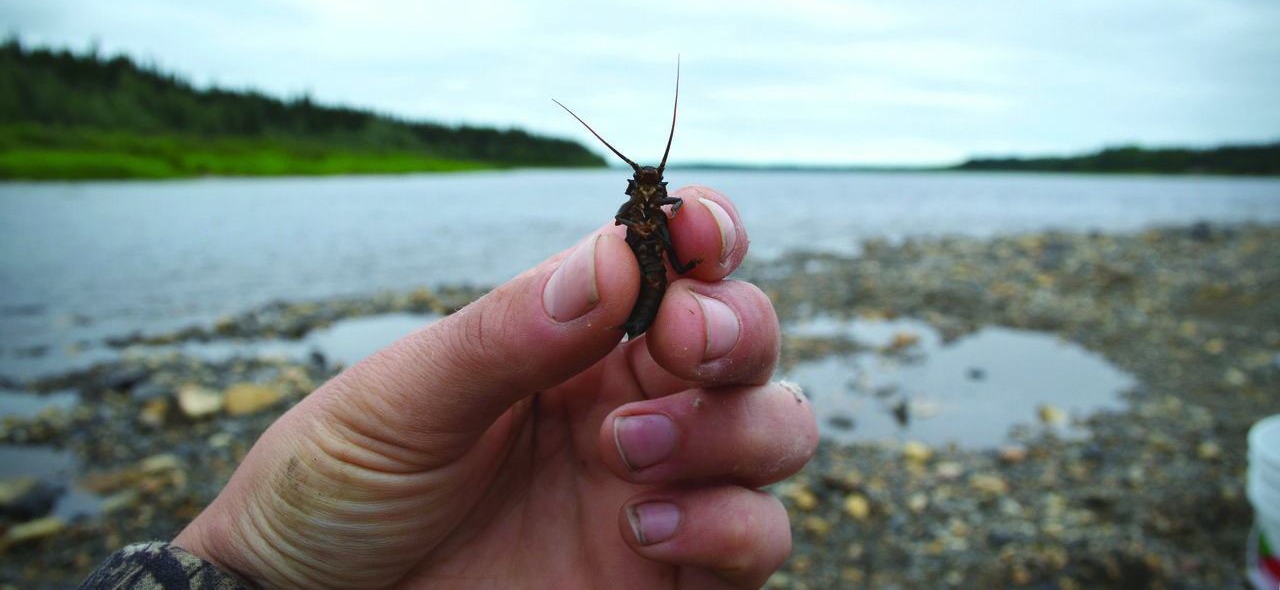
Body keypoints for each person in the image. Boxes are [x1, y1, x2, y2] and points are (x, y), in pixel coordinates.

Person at [79, 186, 818, 590]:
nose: (648, 198)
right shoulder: (628, 229)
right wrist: (244, 567)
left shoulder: (666, 220)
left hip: (655, 319)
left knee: (710, 335)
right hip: (627, 320)